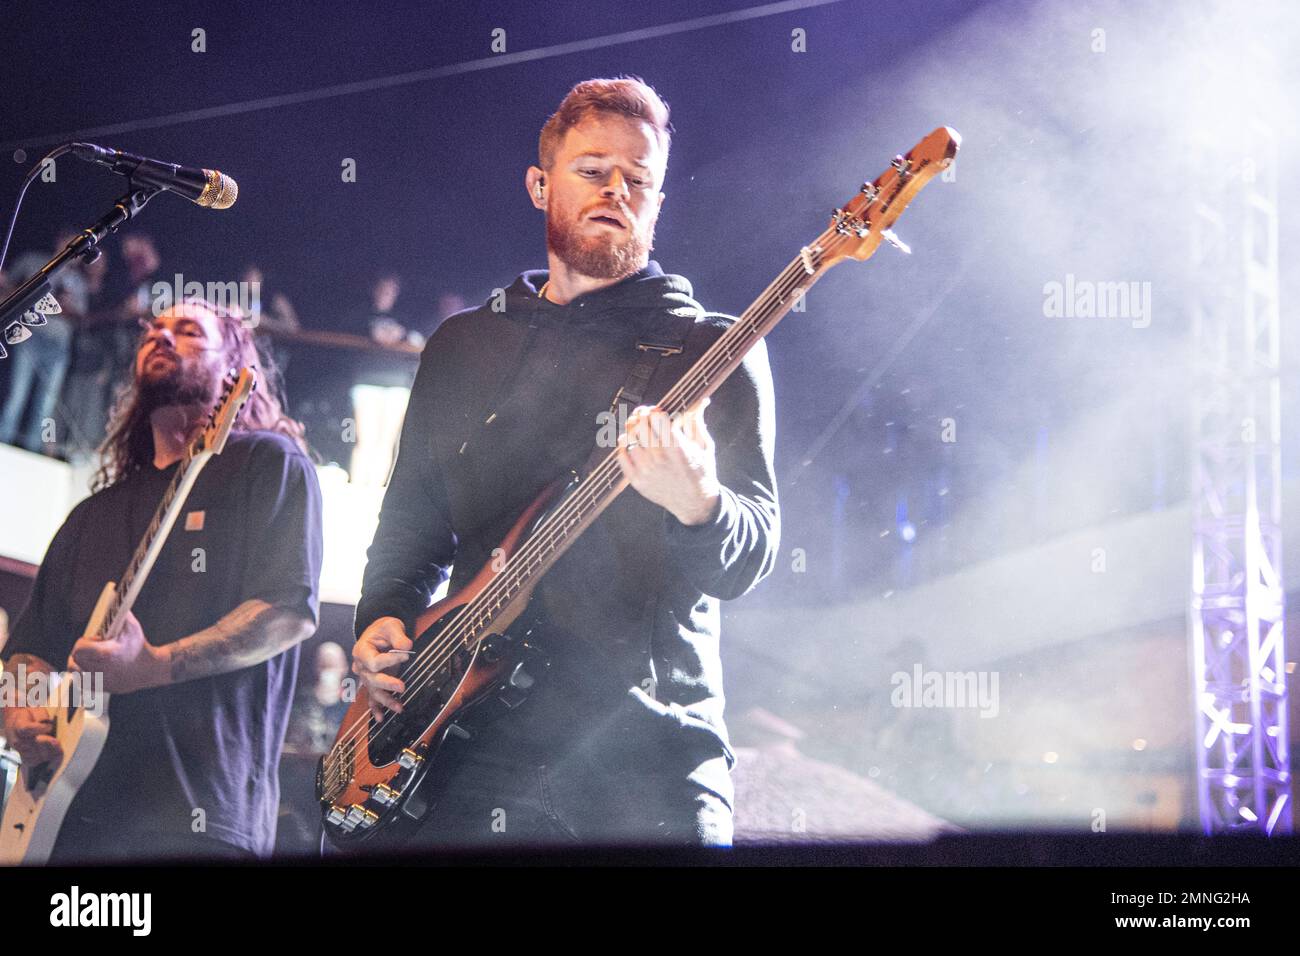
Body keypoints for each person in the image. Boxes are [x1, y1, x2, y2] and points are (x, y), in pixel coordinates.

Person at [347, 76, 780, 849]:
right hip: (469, 745)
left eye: (640, 179)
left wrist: (701, 502)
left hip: (647, 754)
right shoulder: (463, 346)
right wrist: (382, 616)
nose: (617, 187)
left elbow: (751, 556)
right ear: (540, 184)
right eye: (593, 168)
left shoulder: (711, 351)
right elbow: (412, 523)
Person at [0, 298, 324, 863]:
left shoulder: (268, 465)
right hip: (67, 819)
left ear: (233, 370)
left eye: (188, 331)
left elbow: (286, 612)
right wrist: (19, 716)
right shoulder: (91, 515)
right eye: (154, 328)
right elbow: (29, 650)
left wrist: (156, 665)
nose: (161, 336)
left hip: (197, 816)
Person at [0, 230, 88, 454]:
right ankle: (3, 442)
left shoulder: (78, 280)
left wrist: (64, 305)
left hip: (58, 346)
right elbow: (6, 286)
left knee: (45, 405)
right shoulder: (34, 262)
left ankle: (31, 451)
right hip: (29, 337)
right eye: (68, 241)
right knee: (16, 395)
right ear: (59, 241)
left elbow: (79, 316)